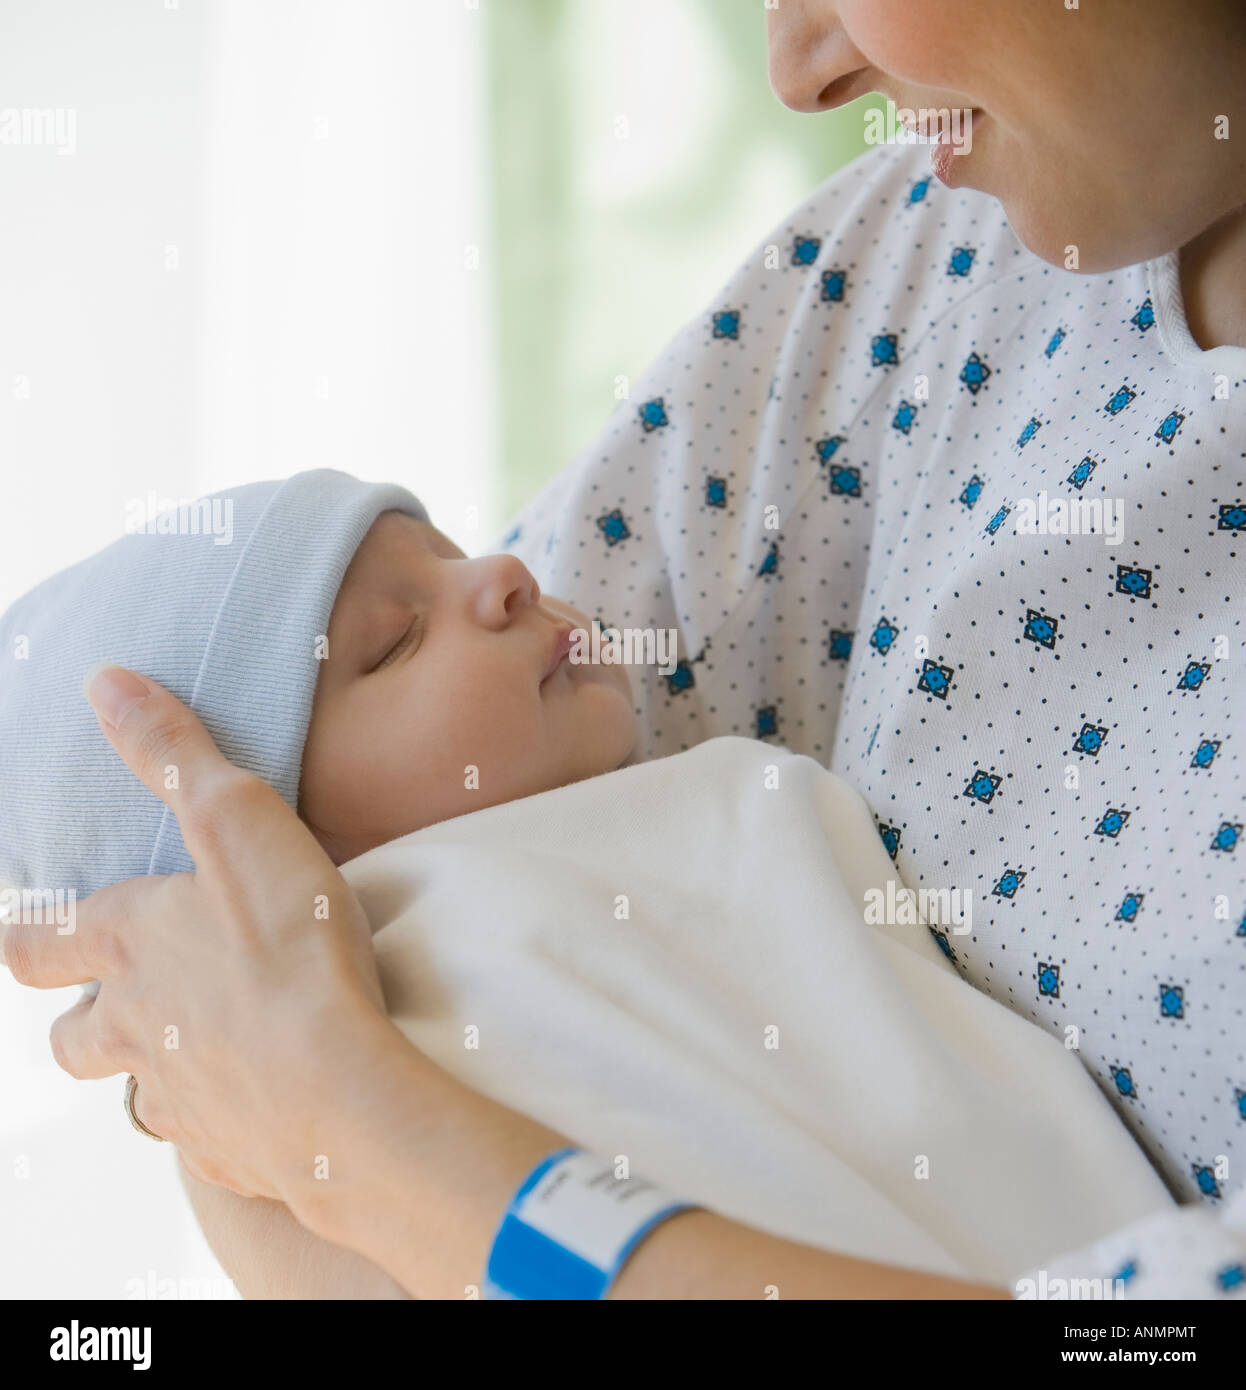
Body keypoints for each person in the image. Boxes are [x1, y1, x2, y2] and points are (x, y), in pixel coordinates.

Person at [4, 0, 1245, 1299]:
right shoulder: (917, 269)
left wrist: (367, 1141)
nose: (797, 68)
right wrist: (272, 1110)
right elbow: (224, 1075)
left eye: (442, 566)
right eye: (393, 639)